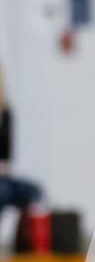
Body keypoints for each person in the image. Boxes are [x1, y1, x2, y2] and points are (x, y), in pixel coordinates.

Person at [0, 65, 43, 241]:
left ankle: (24, 243)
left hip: (3, 176)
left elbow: (6, 158)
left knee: (33, 191)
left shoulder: (6, 115)